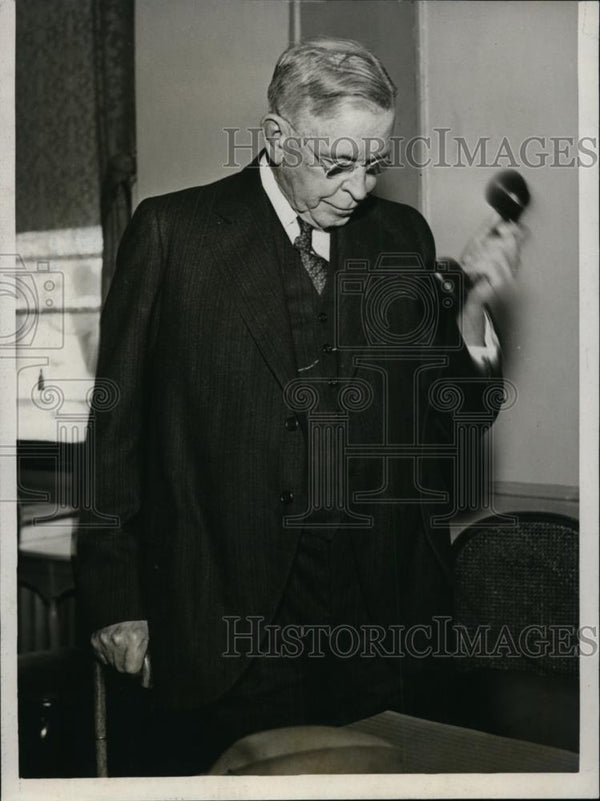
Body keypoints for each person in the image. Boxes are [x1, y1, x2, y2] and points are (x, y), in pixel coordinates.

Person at [75, 37, 522, 774]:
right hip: (227, 629)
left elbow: (451, 423)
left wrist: (471, 314)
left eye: (373, 163)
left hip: (382, 630)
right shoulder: (173, 234)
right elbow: (113, 433)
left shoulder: (400, 239)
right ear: (278, 136)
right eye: (336, 162)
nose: (356, 187)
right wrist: (116, 597)